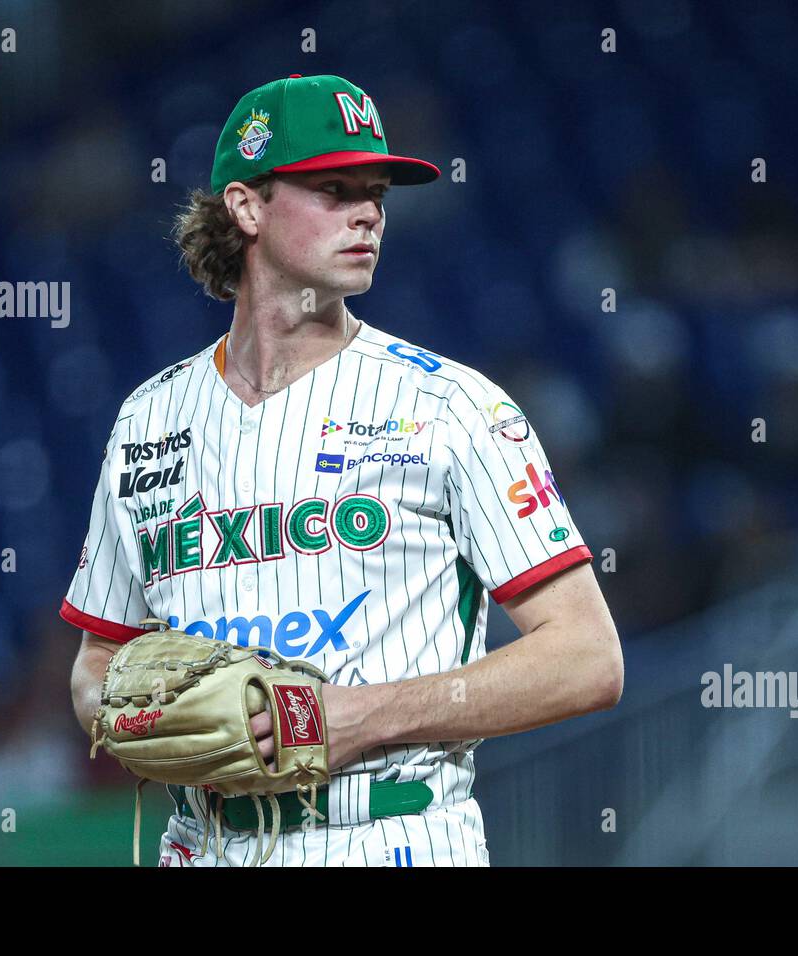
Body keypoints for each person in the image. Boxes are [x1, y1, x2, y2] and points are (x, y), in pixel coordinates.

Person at [63, 74, 623, 866]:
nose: (369, 212)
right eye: (334, 189)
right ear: (247, 206)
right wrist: (133, 720)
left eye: (377, 193)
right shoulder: (148, 422)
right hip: (203, 843)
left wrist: (360, 715)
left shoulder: (450, 407)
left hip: (389, 834)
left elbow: (587, 659)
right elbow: (95, 668)